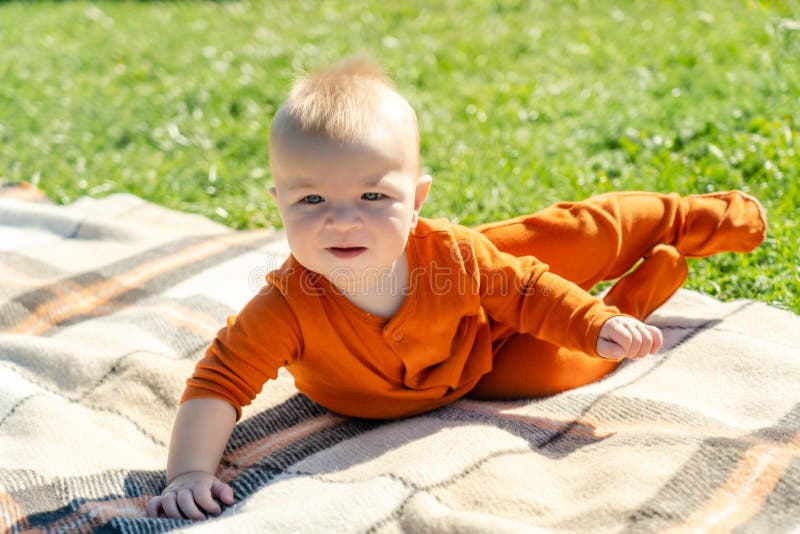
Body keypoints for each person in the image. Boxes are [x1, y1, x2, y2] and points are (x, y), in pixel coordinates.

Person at [145, 57, 766, 519]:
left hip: (480, 287)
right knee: (561, 367)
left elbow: (527, 291)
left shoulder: (451, 253)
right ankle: (632, 303)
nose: (342, 219)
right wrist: (189, 472)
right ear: (278, 202)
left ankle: (689, 219)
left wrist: (579, 316)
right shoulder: (286, 305)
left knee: (573, 239)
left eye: (372, 196)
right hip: (476, 365)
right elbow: (218, 383)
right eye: (312, 199)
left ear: (415, 201)